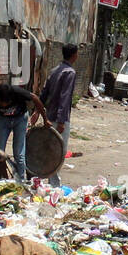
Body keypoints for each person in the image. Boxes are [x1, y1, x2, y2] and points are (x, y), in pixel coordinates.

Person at [40, 44, 78, 187]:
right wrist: (62, 121)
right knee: (59, 151)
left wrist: (38, 112)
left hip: (49, 117)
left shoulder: (54, 70)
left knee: (49, 149)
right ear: (74, 55)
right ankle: (54, 183)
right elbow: (65, 97)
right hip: (59, 119)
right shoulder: (70, 72)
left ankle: (45, 179)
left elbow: (44, 93)